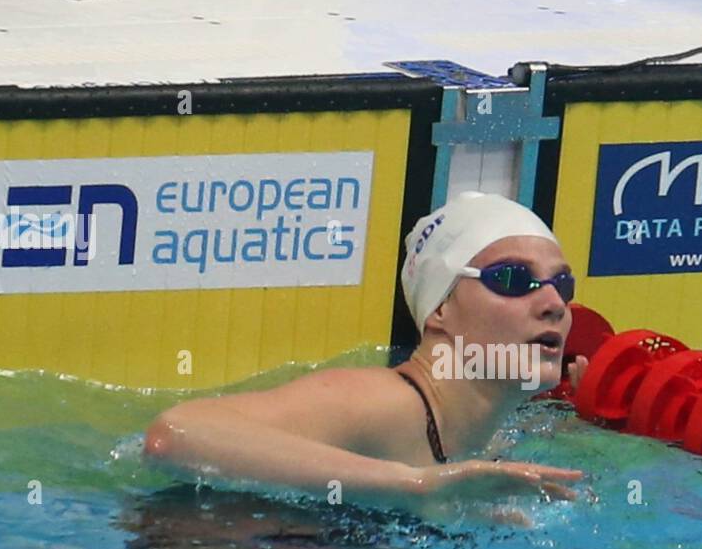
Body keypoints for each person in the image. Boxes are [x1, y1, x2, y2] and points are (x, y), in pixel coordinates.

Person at [143, 191, 590, 513]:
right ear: (440, 308)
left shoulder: (497, 439)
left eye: (562, 284)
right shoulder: (381, 401)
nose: (553, 303)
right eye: (512, 279)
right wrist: (416, 486)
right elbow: (173, 435)